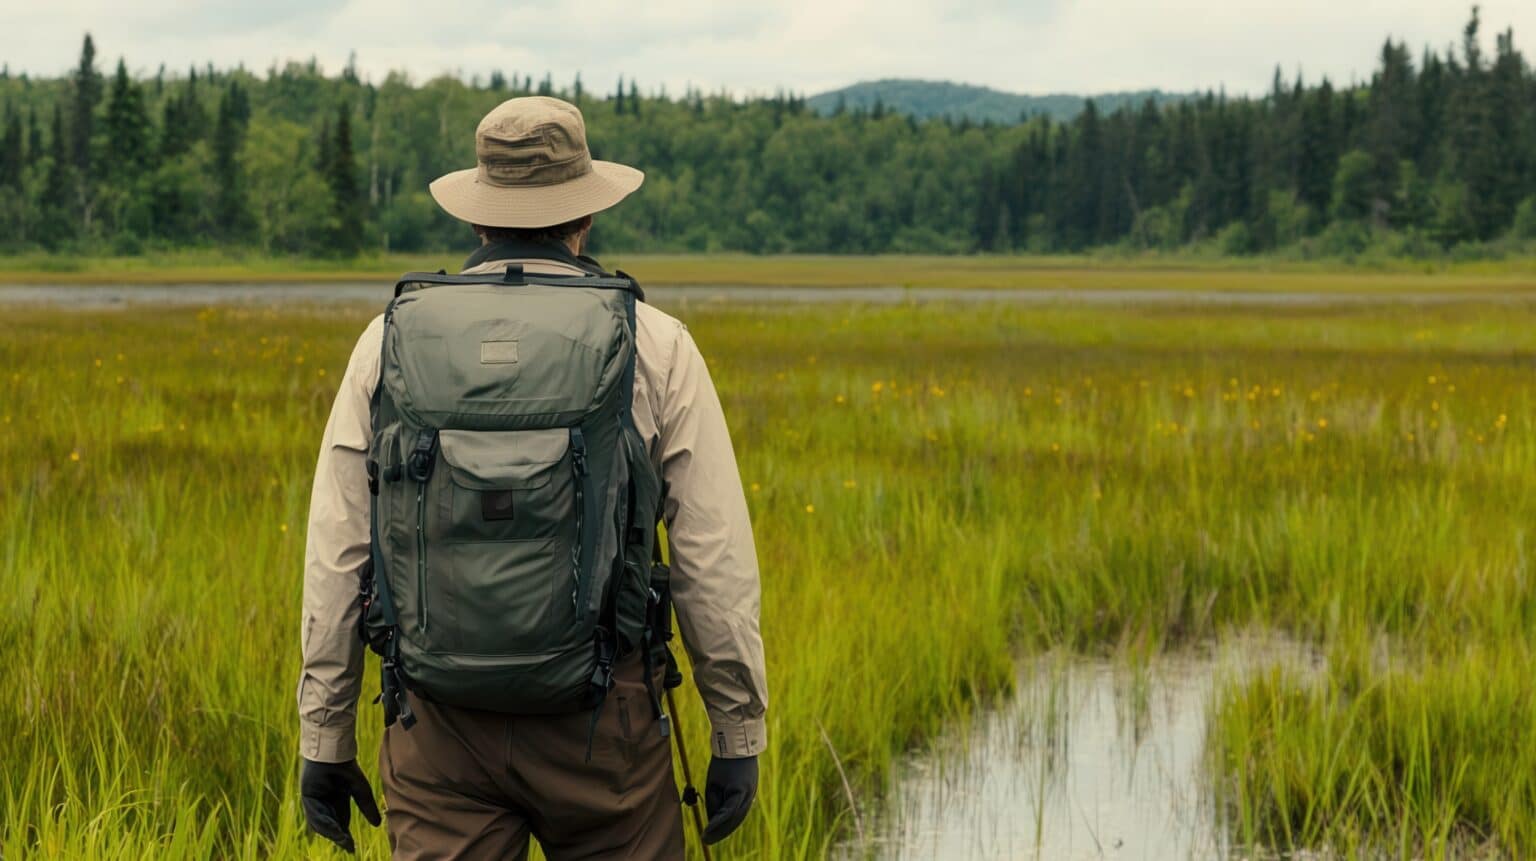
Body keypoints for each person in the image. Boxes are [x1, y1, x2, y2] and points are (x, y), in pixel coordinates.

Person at [295, 96, 768, 858]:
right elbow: (712, 558)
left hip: (436, 728)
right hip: (606, 726)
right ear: (586, 214)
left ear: (478, 216)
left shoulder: (387, 341)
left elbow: (338, 554)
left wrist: (324, 734)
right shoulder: (656, 343)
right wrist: (736, 728)